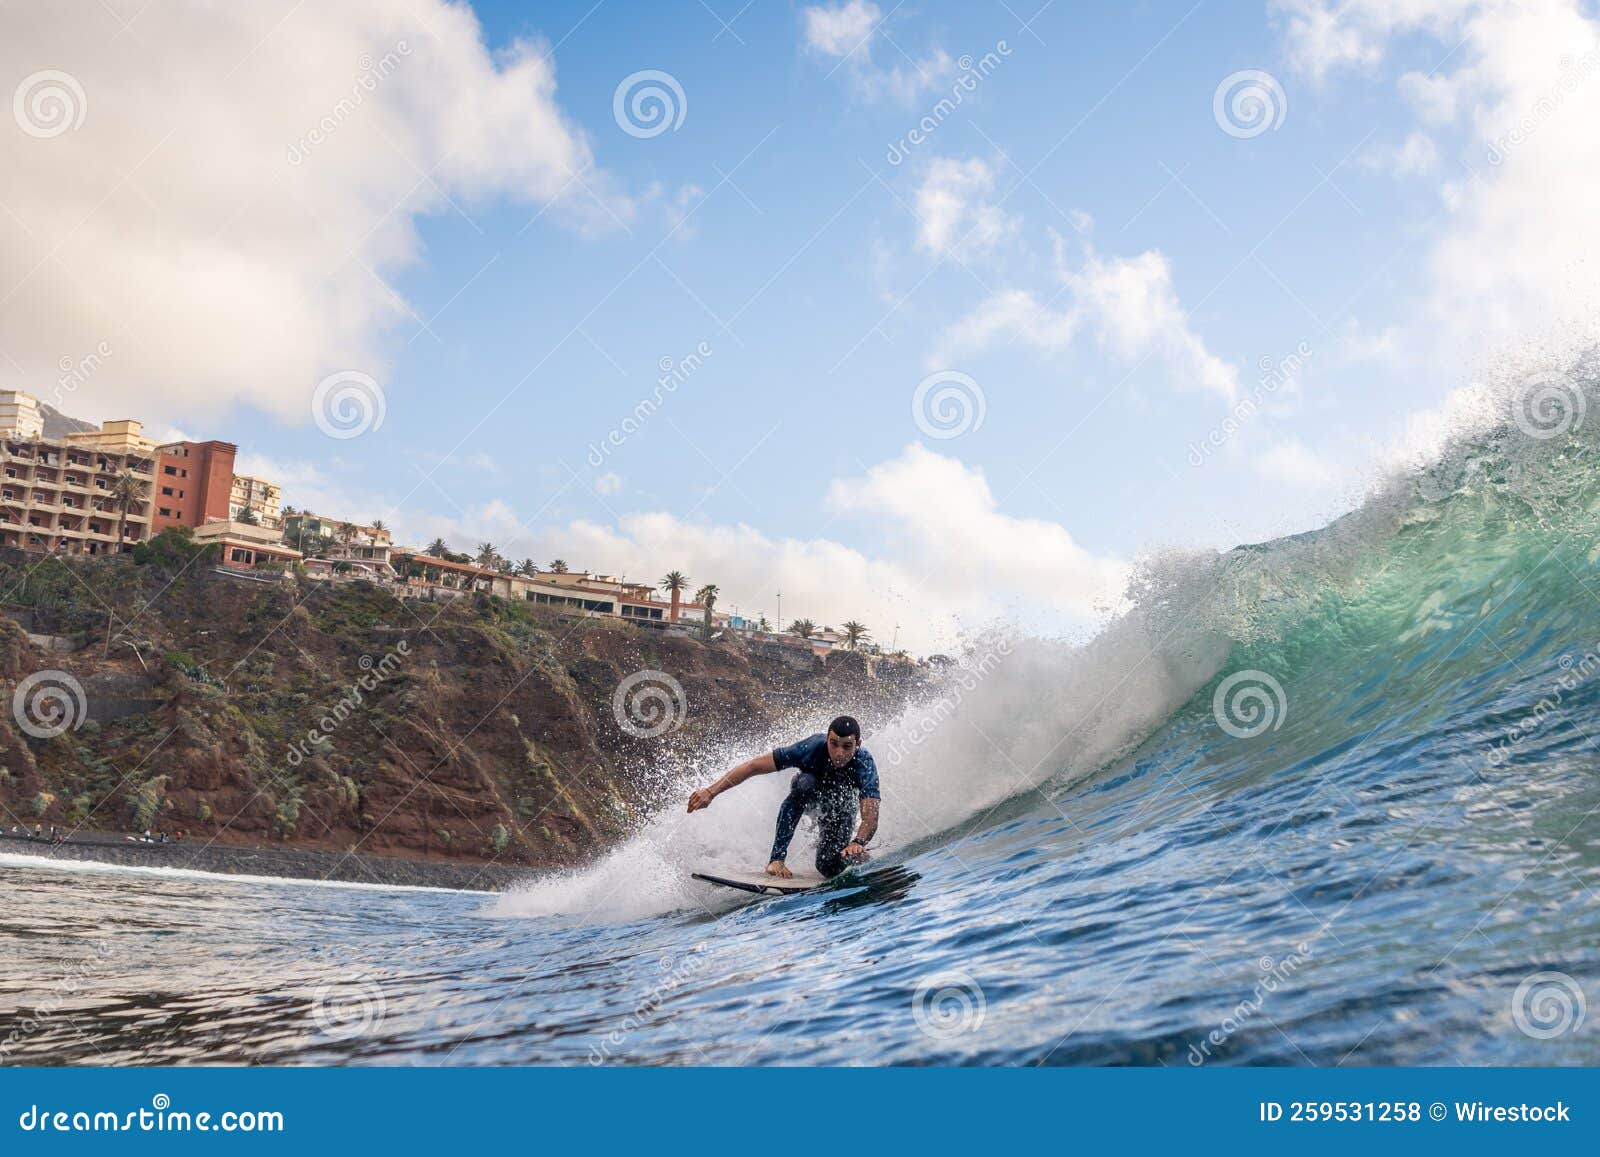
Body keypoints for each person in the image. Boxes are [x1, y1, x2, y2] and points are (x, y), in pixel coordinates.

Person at [687, 715, 880, 879]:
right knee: (804, 784)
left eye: (847, 746)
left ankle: (858, 855)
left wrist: (858, 842)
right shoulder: (810, 748)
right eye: (834, 744)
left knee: (827, 867)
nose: (839, 753)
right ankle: (776, 860)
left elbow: (870, 815)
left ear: (858, 744)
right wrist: (711, 792)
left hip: (841, 809)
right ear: (827, 739)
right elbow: (752, 767)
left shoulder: (864, 763)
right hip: (811, 798)